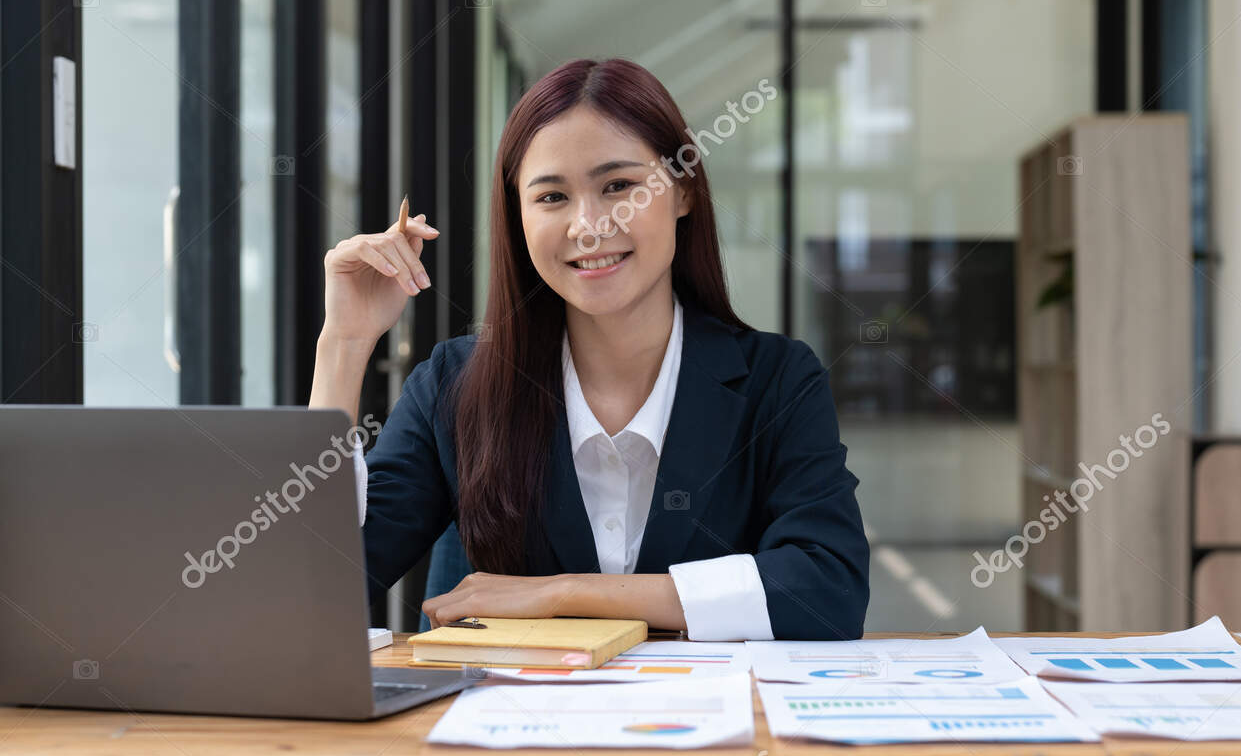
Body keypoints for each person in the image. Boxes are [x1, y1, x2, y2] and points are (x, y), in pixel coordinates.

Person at [309, 57, 869, 641]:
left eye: (619, 186)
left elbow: (828, 589)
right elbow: (317, 590)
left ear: (683, 192)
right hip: (520, 727)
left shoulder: (777, 381)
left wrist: (565, 594)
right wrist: (343, 345)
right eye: (551, 197)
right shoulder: (455, 384)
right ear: (518, 218)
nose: (589, 226)